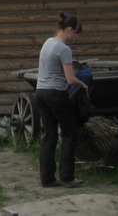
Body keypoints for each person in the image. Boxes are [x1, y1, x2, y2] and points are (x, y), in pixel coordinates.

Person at [36, 13, 89, 188]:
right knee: (69, 133)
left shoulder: (48, 42)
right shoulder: (64, 49)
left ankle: (47, 178)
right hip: (56, 93)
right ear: (69, 30)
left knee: (49, 134)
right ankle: (67, 176)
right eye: (75, 34)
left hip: (41, 92)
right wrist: (83, 85)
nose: (75, 38)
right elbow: (70, 79)